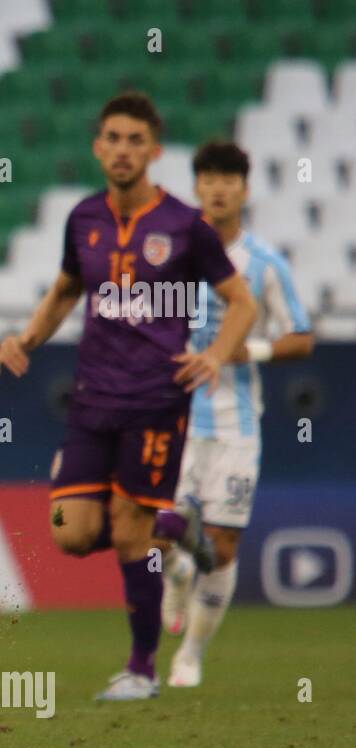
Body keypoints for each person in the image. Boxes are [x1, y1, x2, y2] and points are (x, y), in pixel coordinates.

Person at [0, 92, 256, 701]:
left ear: (154, 151)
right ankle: (175, 523)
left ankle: (141, 668)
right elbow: (64, 289)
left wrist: (214, 355)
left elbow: (242, 302)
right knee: (72, 532)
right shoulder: (82, 218)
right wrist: (26, 339)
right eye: (113, 137)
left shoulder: (186, 226)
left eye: (136, 140)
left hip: (158, 401)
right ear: (97, 146)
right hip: (92, 400)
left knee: (133, 534)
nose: (123, 149)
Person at [156, 140, 313, 687]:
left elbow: (301, 336)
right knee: (157, 530)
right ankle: (176, 570)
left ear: (245, 190)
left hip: (234, 424)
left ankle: (191, 653)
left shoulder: (264, 263)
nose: (219, 189)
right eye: (210, 179)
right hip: (170, 416)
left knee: (221, 547)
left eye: (230, 180)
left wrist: (252, 350)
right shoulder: (171, 251)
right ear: (196, 186)